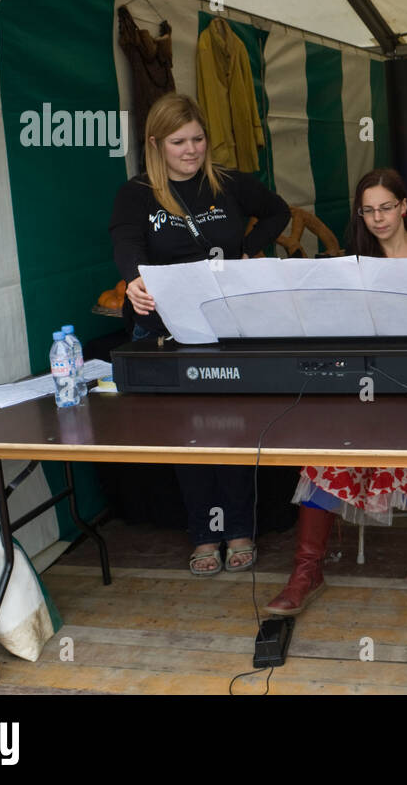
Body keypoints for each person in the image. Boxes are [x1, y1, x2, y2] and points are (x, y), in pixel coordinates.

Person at [264, 168, 407, 617]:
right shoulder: (354, 258)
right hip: (368, 376)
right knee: (327, 447)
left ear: (403, 207)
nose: (378, 218)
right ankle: (307, 569)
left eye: (386, 208)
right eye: (368, 211)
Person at [110, 92, 292, 576]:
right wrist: (134, 280)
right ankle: (202, 534)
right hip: (167, 328)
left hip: (226, 322)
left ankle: (240, 530)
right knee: (189, 433)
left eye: (197, 139)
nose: (190, 150)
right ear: (155, 144)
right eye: (178, 142)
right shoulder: (137, 193)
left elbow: (278, 211)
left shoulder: (227, 183)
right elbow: (125, 240)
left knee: (231, 428)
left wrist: (251, 250)